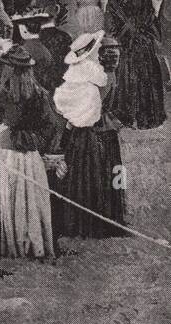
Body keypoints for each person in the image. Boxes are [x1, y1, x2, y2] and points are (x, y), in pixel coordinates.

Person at [0, 45, 61, 259]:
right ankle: (31, 246)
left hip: (9, 156)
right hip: (30, 158)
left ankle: (12, 245)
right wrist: (34, 140)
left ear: (9, 70)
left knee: (12, 200)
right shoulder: (39, 94)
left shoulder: (4, 94)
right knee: (31, 202)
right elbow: (51, 125)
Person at [53, 31, 126, 239]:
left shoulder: (87, 78)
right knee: (103, 174)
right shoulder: (102, 77)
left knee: (84, 176)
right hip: (100, 131)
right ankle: (105, 217)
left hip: (85, 131)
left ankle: (82, 221)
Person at [105, 0, 165, 130]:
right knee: (146, 77)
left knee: (128, 78)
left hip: (129, 44)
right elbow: (151, 19)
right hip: (142, 43)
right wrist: (143, 32)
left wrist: (126, 33)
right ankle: (146, 117)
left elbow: (114, 24)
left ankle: (128, 116)